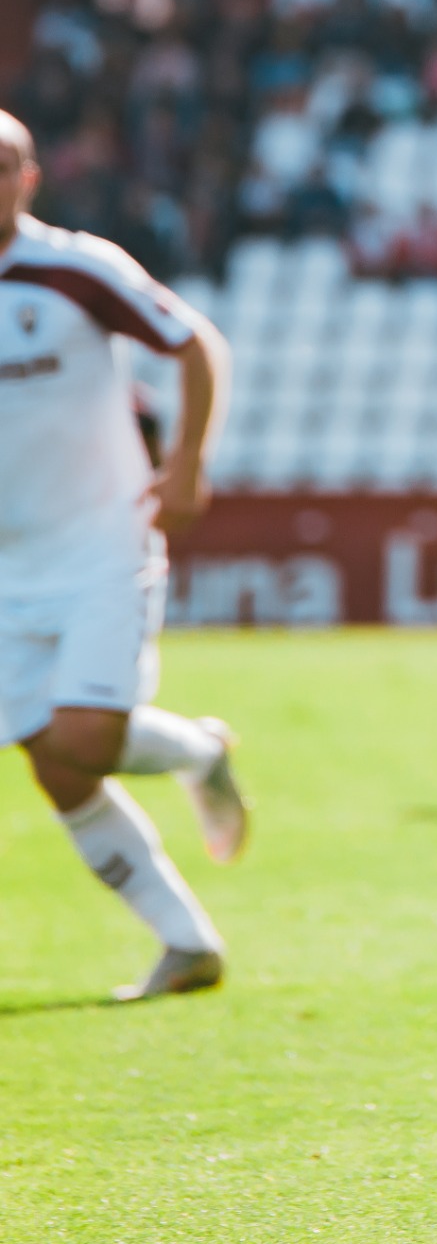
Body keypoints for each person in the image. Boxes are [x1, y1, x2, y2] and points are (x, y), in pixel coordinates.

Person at [0, 109, 248, 1001]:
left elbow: (195, 345)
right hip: (7, 568)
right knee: (56, 768)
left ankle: (198, 750)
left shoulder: (74, 268)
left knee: (85, 740)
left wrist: (186, 463)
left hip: (103, 542)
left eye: (2, 167)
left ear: (28, 181)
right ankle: (187, 944)